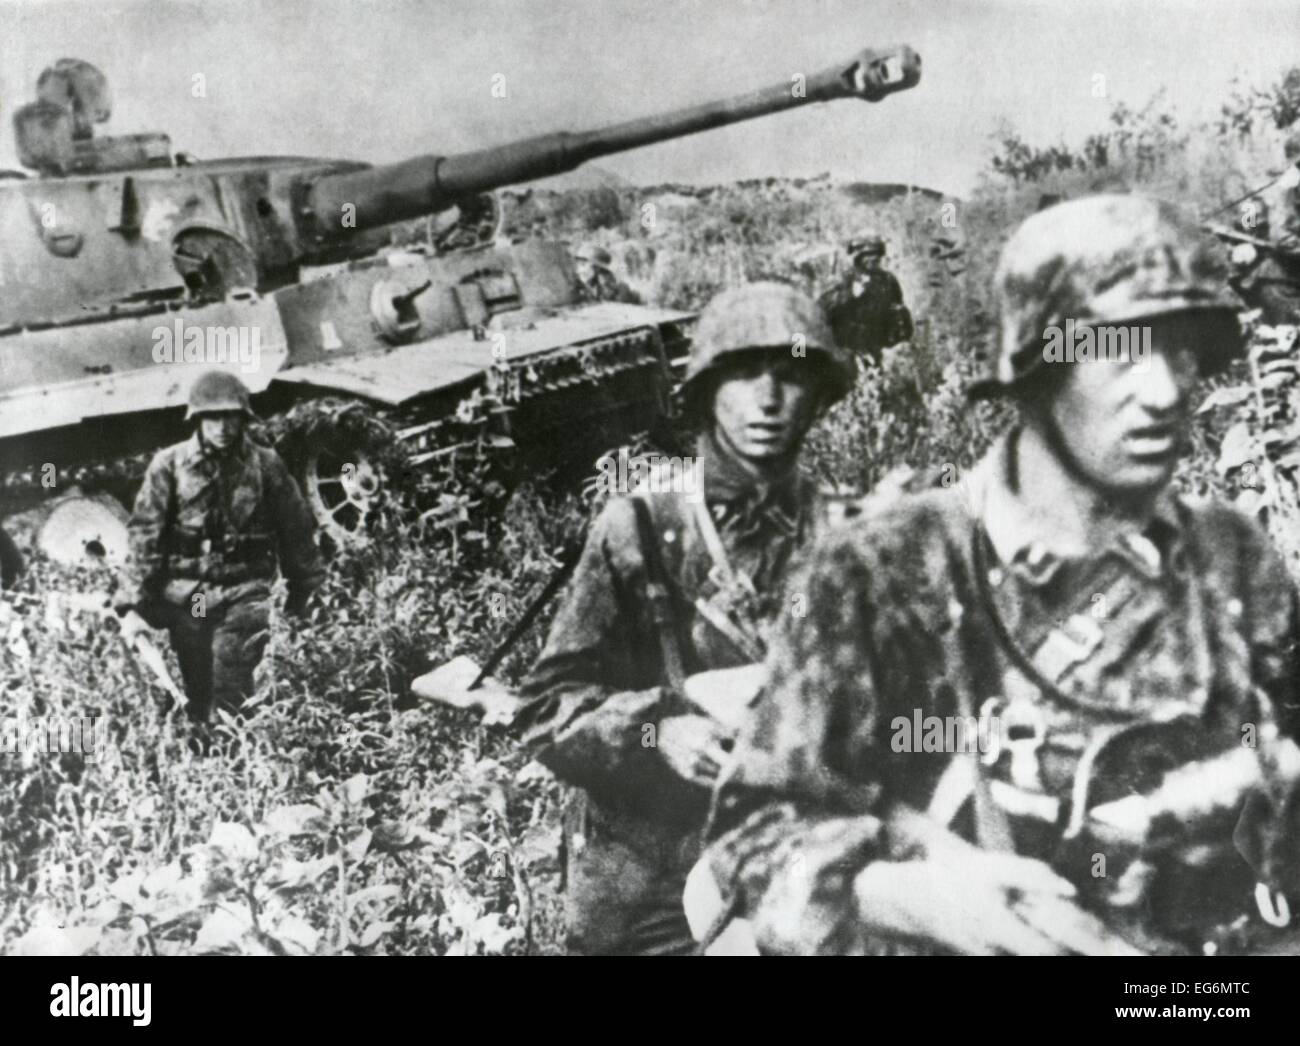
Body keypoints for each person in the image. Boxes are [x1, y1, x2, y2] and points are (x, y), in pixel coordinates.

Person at [700, 195, 1300, 956]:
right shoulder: (881, 570)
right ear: (1038, 376)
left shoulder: (1229, 551)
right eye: (1120, 353)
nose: (1164, 392)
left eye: (1182, 353)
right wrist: (923, 900)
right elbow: (753, 840)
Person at [515, 282, 856, 955]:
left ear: (817, 398)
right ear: (704, 394)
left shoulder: (850, 535)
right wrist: (658, 728)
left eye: (791, 378)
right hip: (651, 874)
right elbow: (546, 712)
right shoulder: (638, 528)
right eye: (742, 378)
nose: (767, 399)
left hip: (795, 866)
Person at [115, 370, 324, 724]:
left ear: (243, 418)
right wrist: (131, 604)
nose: (222, 426)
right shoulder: (169, 465)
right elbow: (145, 535)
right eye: (213, 416)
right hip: (192, 595)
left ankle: (231, 741)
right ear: (197, 419)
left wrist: (307, 590)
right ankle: (202, 737)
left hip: (244, 589)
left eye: (231, 416)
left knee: (232, 677)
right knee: (197, 671)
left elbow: (296, 528)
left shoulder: (264, 465)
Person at [818, 233, 913, 364]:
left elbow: (897, 309)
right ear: (859, 257)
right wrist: (851, 295)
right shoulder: (844, 279)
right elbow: (823, 310)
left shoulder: (887, 280)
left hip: (880, 347)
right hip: (848, 350)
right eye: (868, 255)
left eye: (876, 254)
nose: (873, 258)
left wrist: (900, 333)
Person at [575, 245, 642, 304]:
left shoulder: (606, 284)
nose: (579, 270)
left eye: (583, 265)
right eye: (578, 265)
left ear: (597, 268)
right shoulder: (583, 283)